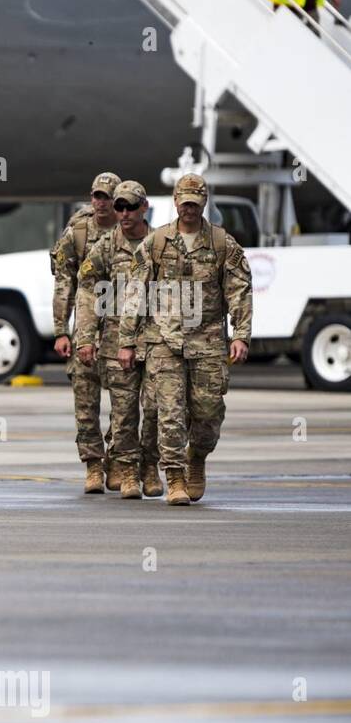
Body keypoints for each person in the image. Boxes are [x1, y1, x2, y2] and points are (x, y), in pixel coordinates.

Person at [118, 173, 252, 505]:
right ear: (176, 203)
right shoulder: (157, 242)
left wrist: (242, 335)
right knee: (169, 411)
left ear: (203, 203)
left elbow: (239, 293)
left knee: (208, 414)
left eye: (195, 204)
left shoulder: (222, 244)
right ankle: (174, 478)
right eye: (184, 203)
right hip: (164, 341)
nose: (189, 209)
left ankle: (197, 458)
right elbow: (136, 292)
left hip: (207, 343)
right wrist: (127, 340)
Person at [75, 180, 160, 498]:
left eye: (130, 207)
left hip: (156, 342)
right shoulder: (106, 247)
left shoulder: (160, 243)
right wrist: (85, 337)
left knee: (154, 411)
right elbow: (86, 291)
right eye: (119, 207)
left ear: (144, 208)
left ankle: (150, 467)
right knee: (124, 412)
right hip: (115, 344)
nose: (123, 213)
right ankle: (126, 472)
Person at [51, 172, 120, 494]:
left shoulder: (130, 232)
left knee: (126, 403)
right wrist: (60, 331)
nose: (100, 202)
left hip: (124, 331)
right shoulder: (78, 234)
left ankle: (119, 460)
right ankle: (93, 464)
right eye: (96, 196)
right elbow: (64, 284)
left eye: (106, 197)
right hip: (87, 330)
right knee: (85, 402)